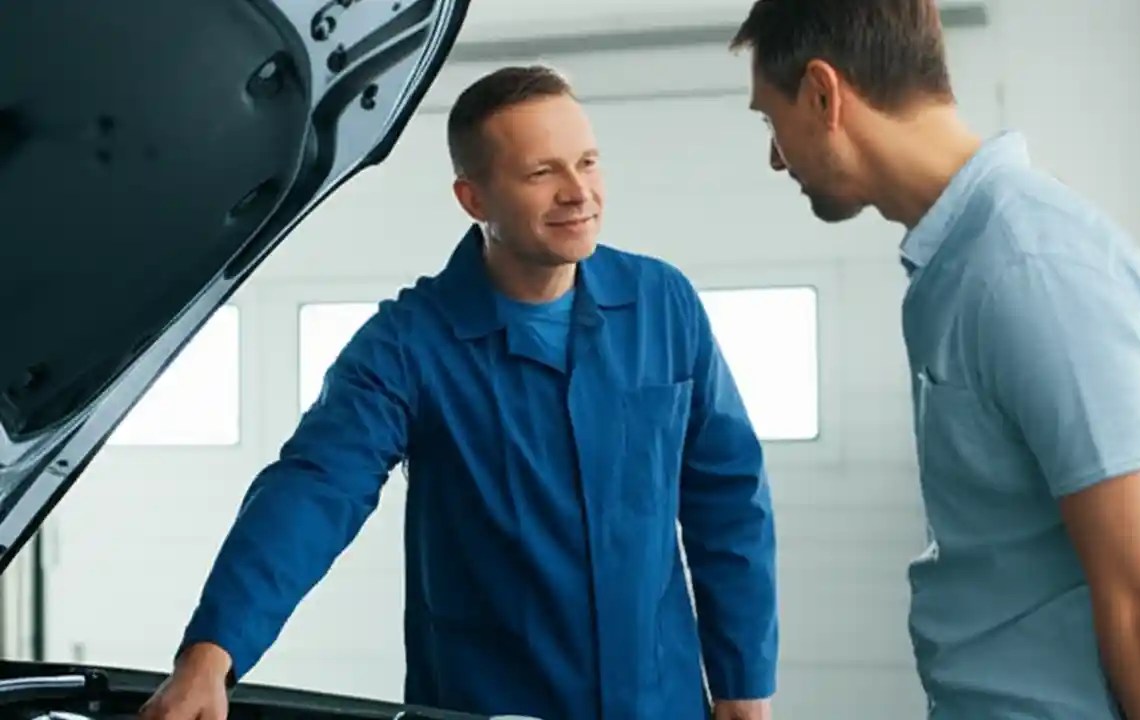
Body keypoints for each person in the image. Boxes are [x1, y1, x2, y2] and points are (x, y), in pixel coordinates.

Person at [138, 65, 778, 720]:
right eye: (541, 173)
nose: (579, 191)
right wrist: (210, 654)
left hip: (661, 704)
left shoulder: (662, 305)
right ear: (474, 199)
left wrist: (743, 685)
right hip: (492, 706)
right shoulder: (408, 346)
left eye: (587, 161)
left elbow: (727, 499)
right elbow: (314, 489)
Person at [728, 1, 1140, 718]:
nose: (776, 156)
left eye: (769, 119)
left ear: (823, 94)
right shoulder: (965, 264)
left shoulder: (1028, 271)